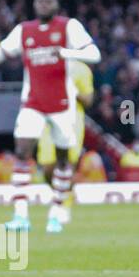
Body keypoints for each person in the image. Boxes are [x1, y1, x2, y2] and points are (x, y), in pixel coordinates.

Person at [0, 0, 101, 233]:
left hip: (63, 104)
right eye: (40, 1)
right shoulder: (24, 30)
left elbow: (94, 54)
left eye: (48, 1)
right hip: (33, 102)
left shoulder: (69, 27)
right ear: (34, 4)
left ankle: (57, 211)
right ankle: (20, 216)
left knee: (62, 160)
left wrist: (66, 53)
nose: (43, 5)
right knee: (22, 151)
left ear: (56, 5)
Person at [33, 58, 94, 223]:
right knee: (47, 168)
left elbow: (88, 100)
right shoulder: (45, 64)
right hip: (48, 119)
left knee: (66, 165)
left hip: (72, 121)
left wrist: (72, 91)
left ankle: (64, 206)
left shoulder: (82, 69)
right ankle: (62, 197)